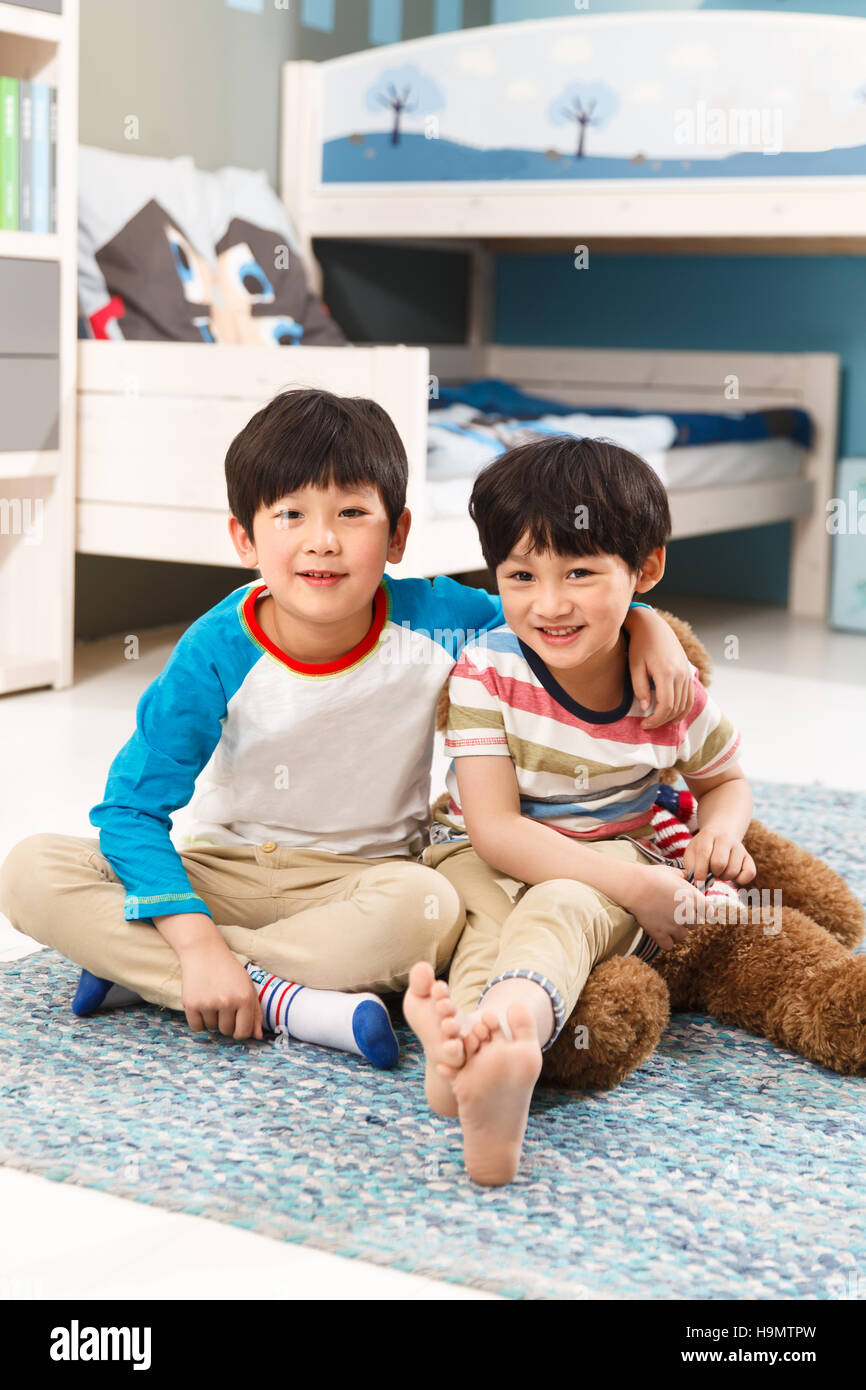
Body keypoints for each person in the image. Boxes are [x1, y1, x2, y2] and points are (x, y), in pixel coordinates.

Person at [0, 392, 693, 1068]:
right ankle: (276, 996)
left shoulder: (435, 618)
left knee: (431, 909)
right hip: (226, 871)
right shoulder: (215, 649)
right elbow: (129, 811)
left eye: (352, 513)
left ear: (397, 535)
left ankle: (149, 973)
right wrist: (196, 942)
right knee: (31, 869)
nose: (322, 541)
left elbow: (548, 613)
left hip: (365, 886)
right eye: (290, 514)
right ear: (244, 538)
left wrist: (645, 623)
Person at [404, 435, 755, 1180]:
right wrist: (637, 892)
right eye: (521, 575)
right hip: (483, 853)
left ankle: (505, 1035)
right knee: (480, 929)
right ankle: (469, 1055)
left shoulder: (666, 688)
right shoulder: (486, 672)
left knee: (560, 906)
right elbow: (495, 829)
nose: (550, 603)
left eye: (581, 572)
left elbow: (725, 780)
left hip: (611, 856)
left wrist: (719, 832)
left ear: (646, 569)